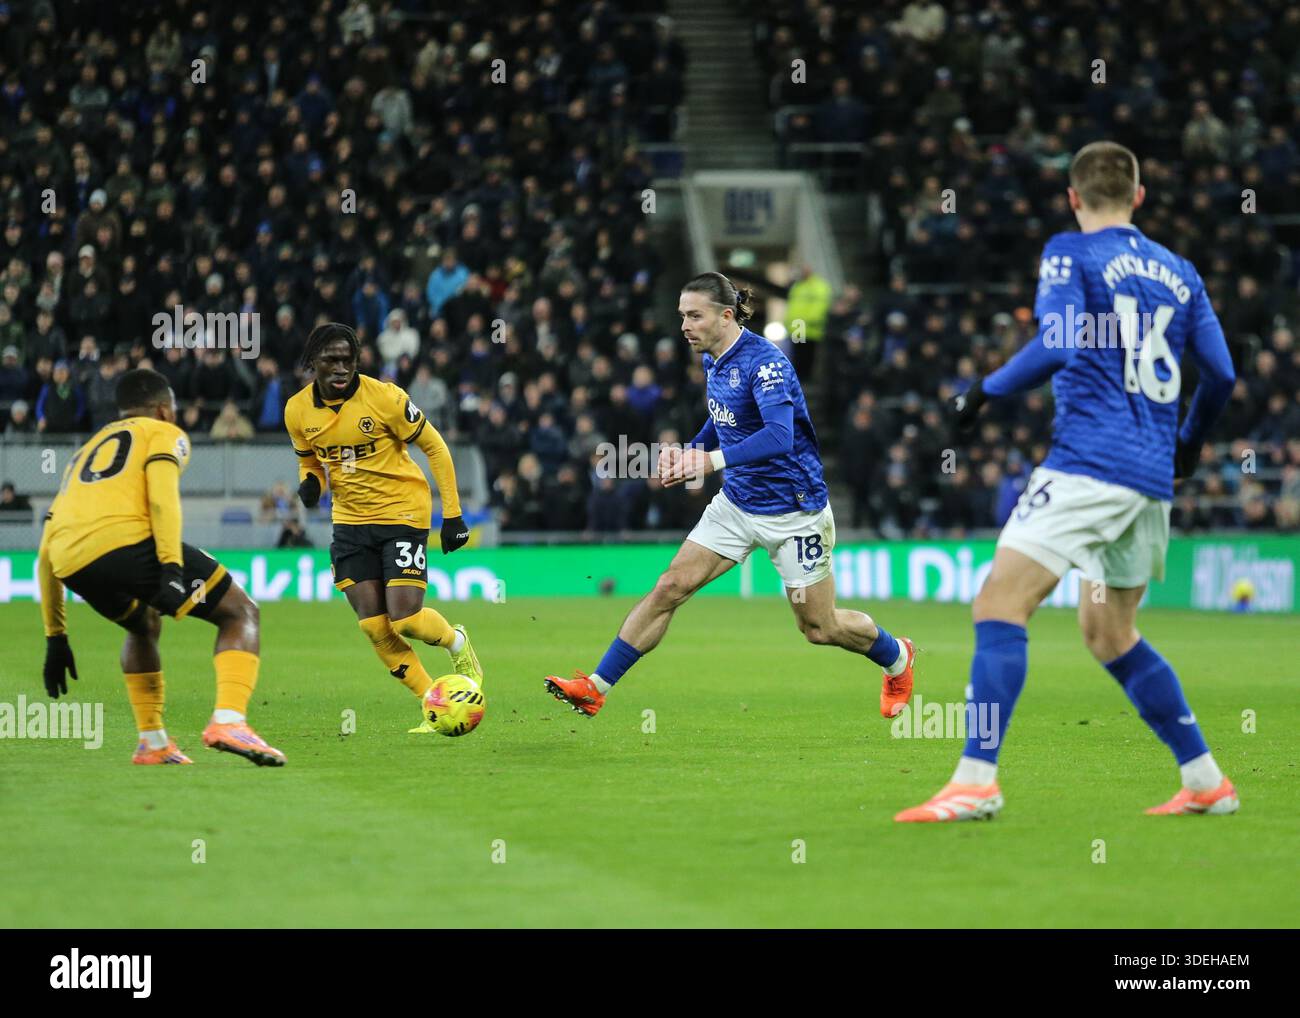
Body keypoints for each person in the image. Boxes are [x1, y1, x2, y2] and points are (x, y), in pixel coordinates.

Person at [895, 142, 1238, 822]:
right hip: (1150, 480)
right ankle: (1205, 781)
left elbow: (1058, 342)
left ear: (1073, 198)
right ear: (1139, 197)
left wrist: (980, 393)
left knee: (998, 605)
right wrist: (1189, 446)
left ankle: (975, 779)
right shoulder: (1179, 271)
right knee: (1110, 632)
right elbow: (1222, 375)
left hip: (1089, 463)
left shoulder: (1070, 252)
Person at [545, 272, 916, 718]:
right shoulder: (712, 359)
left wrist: (710, 462)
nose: (684, 325)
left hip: (794, 512)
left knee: (820, 627)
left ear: (725, 316)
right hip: (738, 504)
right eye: (682, 315)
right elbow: (721, 420)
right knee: (670, 586)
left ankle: (897, 656)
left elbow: (780, 436)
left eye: (694, 315)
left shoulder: (767, 364)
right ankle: (595, 686)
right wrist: (691, 452)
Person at [37, 368, 285, 766]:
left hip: (71, 560)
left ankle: (153, 741)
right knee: (240, 612)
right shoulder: (162, 433)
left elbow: (47, 547)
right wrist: (170, 568)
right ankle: (229, 721)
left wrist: (55, 636)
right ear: (163, 409)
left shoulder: (81, 455)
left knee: (143, 623)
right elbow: (162, 501)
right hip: (128, 544)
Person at [283, 323, 479, 731]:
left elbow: (435, 447)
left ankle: (456, 641)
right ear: (312, 363)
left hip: (401, 513)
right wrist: (311, 483)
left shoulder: (386, 397)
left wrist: (454, 515)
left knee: (404, 618)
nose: (340, 368)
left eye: (348, 360)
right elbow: (311, 461)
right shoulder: (297, 411)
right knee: (375, 627)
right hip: (350, 522)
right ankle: (433, 701)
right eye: (331, 360)